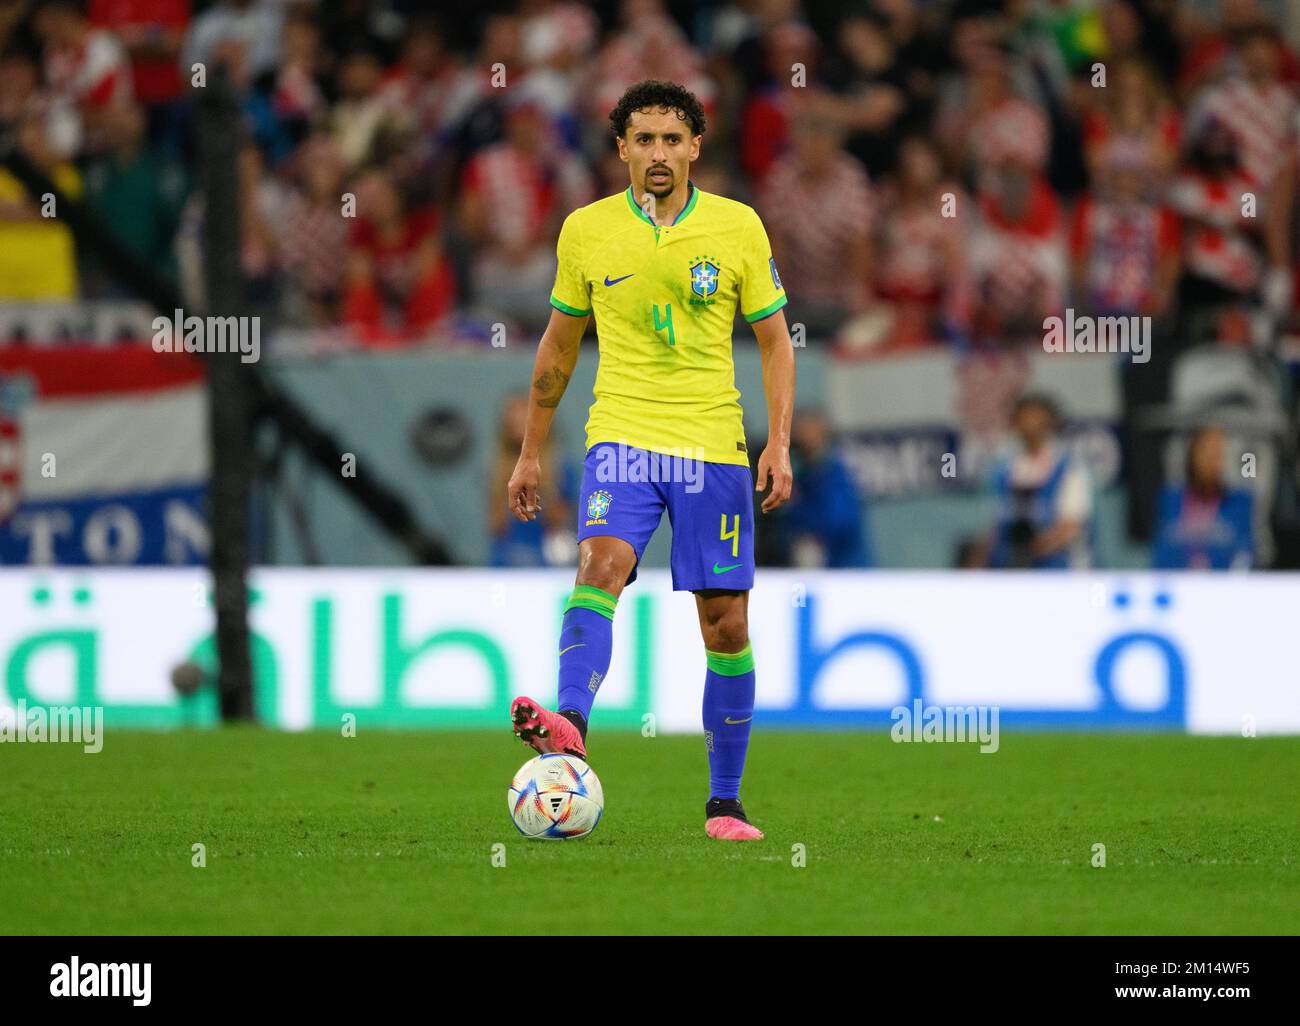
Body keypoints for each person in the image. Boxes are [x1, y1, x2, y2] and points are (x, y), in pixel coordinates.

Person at [504, 79, 794, 842]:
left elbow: (774, 341)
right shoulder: (587, 231)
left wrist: (781, 440)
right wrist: (531, 451)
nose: (658, 154)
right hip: (621, 436)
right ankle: (569, 725)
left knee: (724, 625)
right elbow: (559, 347)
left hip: (711, 444)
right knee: (598, 564)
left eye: (673, 139)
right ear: (622, 148)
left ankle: (724, 804)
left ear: (696, 146)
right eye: (644, 140)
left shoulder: (737, 228)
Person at [987, 393, 1093, 569]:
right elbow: (996, 525)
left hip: (1062, 570)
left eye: (1037, 419)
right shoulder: (1004, 468)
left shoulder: (1068, 468)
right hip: (1014, 569)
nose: (1030, 425)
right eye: (1024, 418)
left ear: (1050, 424)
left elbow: (1071, 527)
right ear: (1014, 423)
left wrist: (1029, 552)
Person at [1152, 425, 1254, 570]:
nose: (1212, 460)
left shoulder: (1240, 502)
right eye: (1206, 452)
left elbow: (1245, 553)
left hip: (1223, 587)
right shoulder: (1170, 499)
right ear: (1193, 454)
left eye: (1217, 453)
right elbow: (1160, 553)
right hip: (1178, 584)